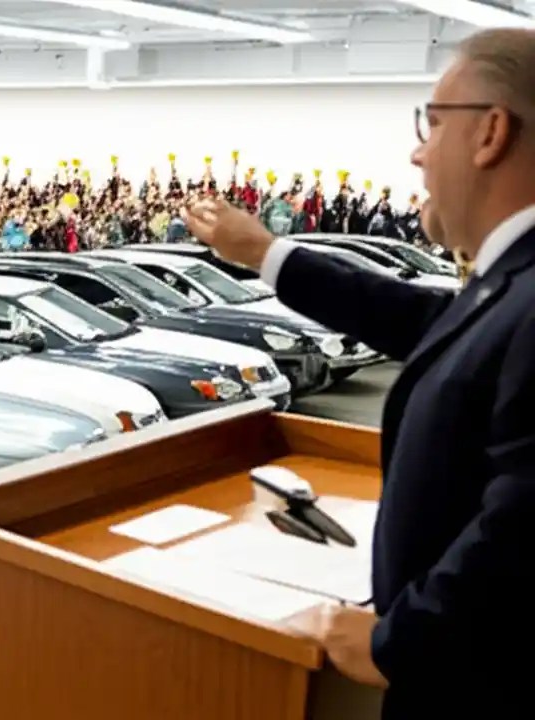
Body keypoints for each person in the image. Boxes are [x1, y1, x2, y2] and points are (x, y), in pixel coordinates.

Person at [182, 28, 535, 719]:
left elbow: (525, 525)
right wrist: (266, 253)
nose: (417, 151)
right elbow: (424, 320)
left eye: (431, 124)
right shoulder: (510, 286)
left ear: (491, 132)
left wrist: (393, 642)